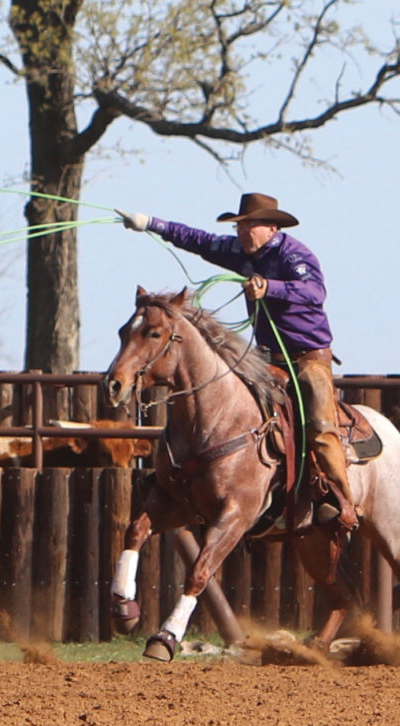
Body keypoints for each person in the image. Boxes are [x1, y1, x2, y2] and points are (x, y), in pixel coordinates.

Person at [117, 192, 357, 531]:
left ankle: (342, 502)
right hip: (267, 359)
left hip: (308, 358)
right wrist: (149, 224)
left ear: (271, 227)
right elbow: (198, 240)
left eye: (249, 226)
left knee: (319, 426)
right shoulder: (242, 254)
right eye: (240, 227)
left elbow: (314, 293)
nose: (242, 233)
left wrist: (269, 287)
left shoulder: (295, 255)